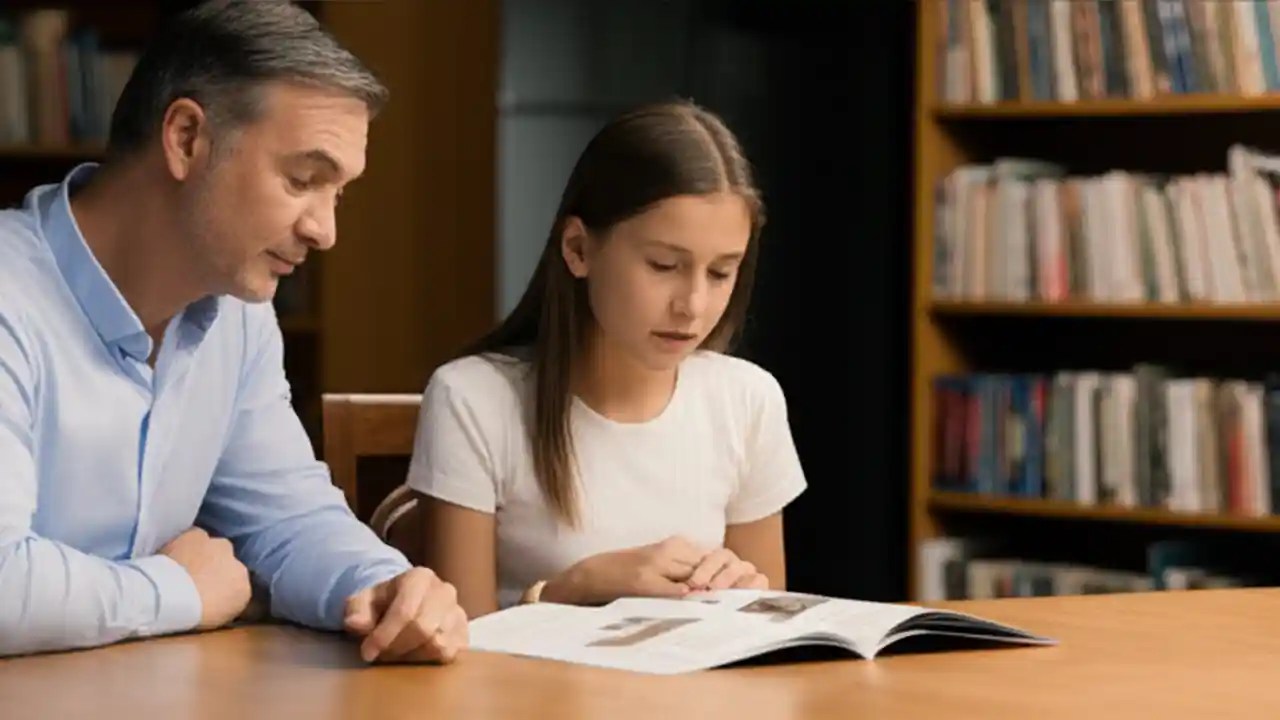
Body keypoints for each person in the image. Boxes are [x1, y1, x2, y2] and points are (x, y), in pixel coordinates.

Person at [0, 0, 465, 663]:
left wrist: (384, 586)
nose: (324, 230)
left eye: (339, 194)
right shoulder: (10, 298)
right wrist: (181, 591)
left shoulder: (237, 317)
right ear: (187, 138)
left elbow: (288, 518)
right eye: (303, 180)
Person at [404, 99, 808, 618]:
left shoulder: (748, 400)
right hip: (530, 697)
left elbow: (769, 636)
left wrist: (747, 593)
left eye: (721, 272)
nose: (693, 305)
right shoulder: (474, 400)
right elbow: (457, 650)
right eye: (664, 265)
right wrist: (568, 589)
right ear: (577, 249)